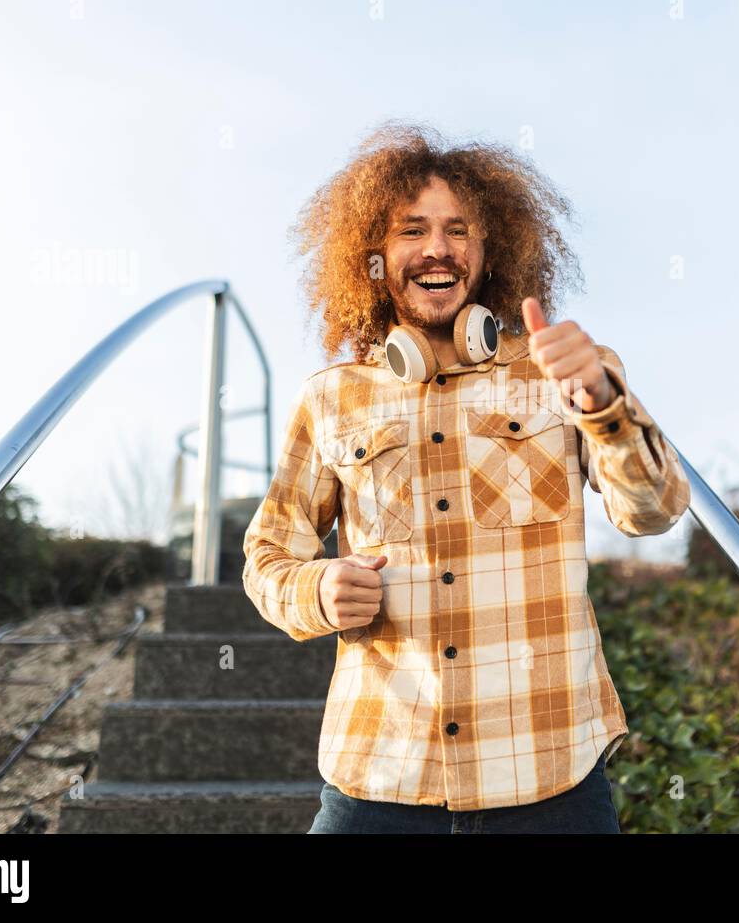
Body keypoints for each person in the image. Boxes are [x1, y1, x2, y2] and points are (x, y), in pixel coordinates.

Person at [241, 120, 691, 833]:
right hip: (378, 774)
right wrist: (317, 588)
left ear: (489, 254)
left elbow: (655, 510)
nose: (438, 248)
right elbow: (268, 557)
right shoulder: (329, 398)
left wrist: (604, 405)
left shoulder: (565, 370)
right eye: (411, 230)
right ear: (377, 259)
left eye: (460, 230)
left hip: (550, 777)